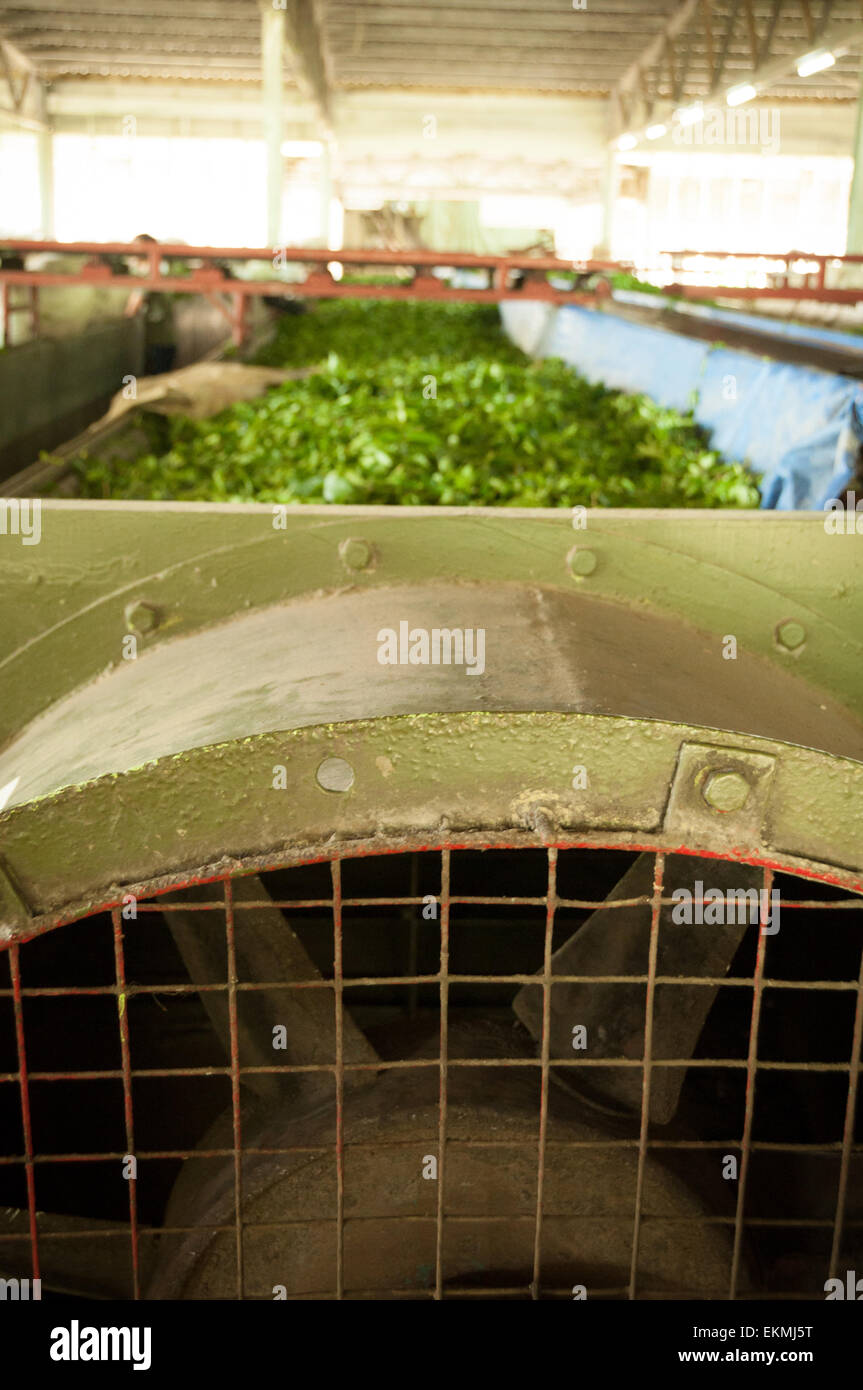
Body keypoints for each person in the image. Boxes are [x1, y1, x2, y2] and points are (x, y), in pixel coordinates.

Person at [124, 233, 178, 375]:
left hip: (158, 341)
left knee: (153, 381)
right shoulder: (160, 269)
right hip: (164, 338)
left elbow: (133, 307)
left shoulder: (150, 273)